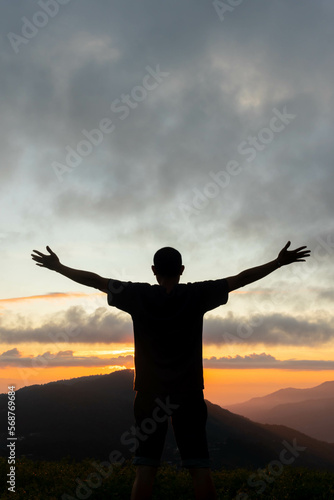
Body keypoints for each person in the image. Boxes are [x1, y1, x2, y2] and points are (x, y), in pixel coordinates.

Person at [31, 241, 310, 500]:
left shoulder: (137, 295)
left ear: (153, 271)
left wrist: (59, 267)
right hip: (188, 394)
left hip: (149, 394)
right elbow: (240, 279)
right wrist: (277, 263)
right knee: (199, 467)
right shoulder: (196, 294)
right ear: (182, 270)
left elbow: (96, 281)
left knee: (145, 469)